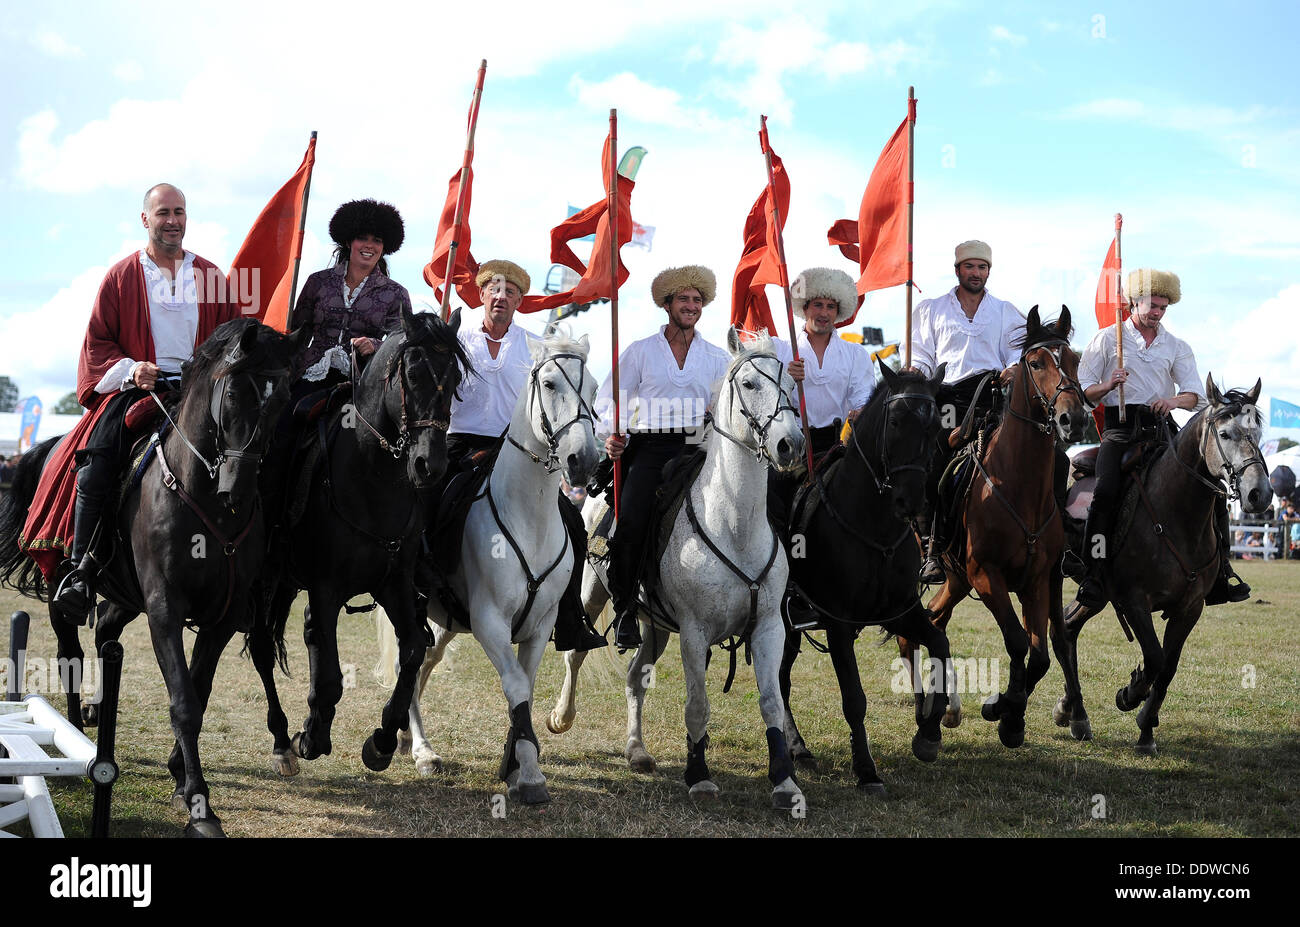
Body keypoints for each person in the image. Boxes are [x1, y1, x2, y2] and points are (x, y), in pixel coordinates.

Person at [51, 183, 239, 622]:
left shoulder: (211, 276)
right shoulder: (120, 276)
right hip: (137, 390)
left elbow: (234, 337)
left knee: (250, 450)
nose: (172, 220)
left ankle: (252, 571)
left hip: (198, 393)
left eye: (179, 212)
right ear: (145, 220)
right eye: (163, 213)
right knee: (96, 463)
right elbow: (97, 343)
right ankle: (81, 572)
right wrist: (133, 368)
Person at [439, 259, 605, 652]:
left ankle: (569, 619)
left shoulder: (533, 346)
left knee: (574, 525)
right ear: (481, 295)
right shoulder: (457, 338)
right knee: (430, 508)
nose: (502, 296)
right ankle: (418, 597)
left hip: (510, 450)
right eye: (494, 289)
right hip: (460, 442)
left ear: (518, 301)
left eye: (511, 291)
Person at [1073, 268, 1248, 610]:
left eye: (1163, 307)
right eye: (1152, 305)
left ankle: (1221, 573)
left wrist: (1171, 401)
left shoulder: (1176, 346)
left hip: (1161, 429)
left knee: (1212, 488)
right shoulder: (1108, 339)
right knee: (1106, 492)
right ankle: (1093, 571)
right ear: (1133, 302)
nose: (1157, 312)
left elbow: (1195, 395)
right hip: (1119, 430)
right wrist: (1109, 385)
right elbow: (1082, 392)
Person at [597, 265, 731, 650]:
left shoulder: (717, 356)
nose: (691, 306)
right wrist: (612, 433)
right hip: (650, 449)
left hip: (700, 449)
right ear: (667, 304)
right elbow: (609, 398)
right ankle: (624, 609)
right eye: (684, 299)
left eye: (697, 300)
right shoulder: (640, 351)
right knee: (633, 520)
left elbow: (727, 404)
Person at [905, 240, 1032, 583]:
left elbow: (1022, 354)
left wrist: (1013, 369)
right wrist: (916, 370)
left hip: (991, 398)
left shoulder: (1006, 311)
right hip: (947, 400)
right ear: (957, 269)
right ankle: (931, 549)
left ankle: (1047, 544)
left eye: (982, 268)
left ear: (989, 271)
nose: (976, 273)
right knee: (933, 464)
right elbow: (920, 355)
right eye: (970, 267)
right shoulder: (931, 309)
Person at [289, 199, 409, 394]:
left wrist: (375, 345)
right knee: (284, 421)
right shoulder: (318, 281)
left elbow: (403, 341)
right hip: (309, 375)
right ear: (348, 241)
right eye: (363, 238)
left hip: (365, 382)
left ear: (384, 247)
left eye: (377, 240)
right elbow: (296, 333)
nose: (369, 245)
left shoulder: (396, 293)